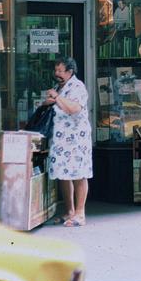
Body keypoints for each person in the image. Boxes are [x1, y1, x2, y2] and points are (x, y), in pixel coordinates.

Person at [45, 57, 92, 227]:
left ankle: (80, 213)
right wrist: (49, 101)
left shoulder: (78, 87)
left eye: (60, 71)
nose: (56, 74)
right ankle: (70, 211)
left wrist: (56, 97)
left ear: (70, 72)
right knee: (63, 174)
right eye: (55, 70)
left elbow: (74, 109)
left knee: (79, 173)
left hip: (76, 138)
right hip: (60, 139)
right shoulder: (60, 87)